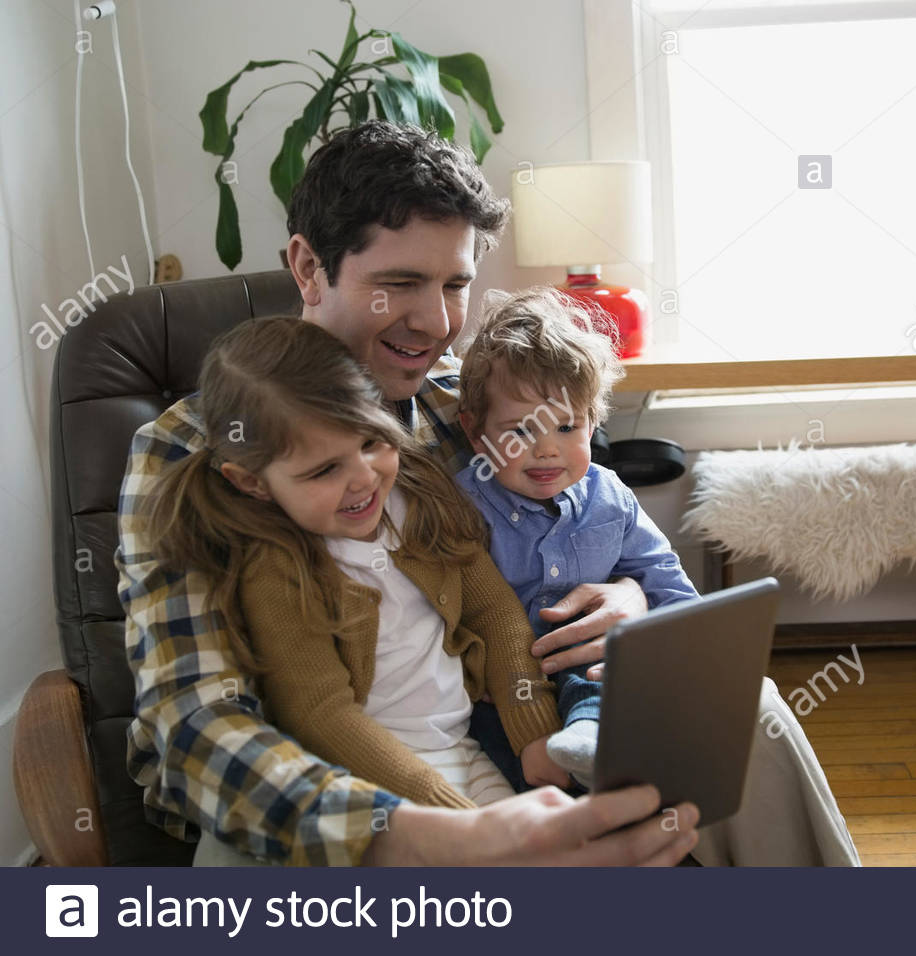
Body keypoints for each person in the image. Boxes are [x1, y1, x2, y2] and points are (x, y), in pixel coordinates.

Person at [118, 120, 855, 866]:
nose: (437, 324)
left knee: (748, 711)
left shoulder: (465, 402)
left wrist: (630, 595)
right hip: (315, 784)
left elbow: (584, 525)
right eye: (399, 284)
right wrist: (444, 835)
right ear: (309, 267)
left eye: (456, 284)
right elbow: (194, 723)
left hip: (502, 721)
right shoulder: (198, 448)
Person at [146, 315, 576, 819]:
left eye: (371, 443)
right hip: (361, 789)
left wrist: (535, 730)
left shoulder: (418, 498)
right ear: (252, 482)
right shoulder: (278, 567)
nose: (363, 479)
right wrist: (440, 808)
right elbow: (319, 713)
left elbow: (494, 611)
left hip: (464, 749)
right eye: (324, 469)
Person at [452, 288, 698, 787]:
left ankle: (591, 745)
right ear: (476, 434)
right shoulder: (461, 506)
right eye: (521, 431)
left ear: (594, 422)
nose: (547, 451)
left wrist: (674, 647)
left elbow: (667, 586)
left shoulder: (610, 496)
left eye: (567, 426)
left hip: (595, 672)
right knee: (509, 758)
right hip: (503, 688)